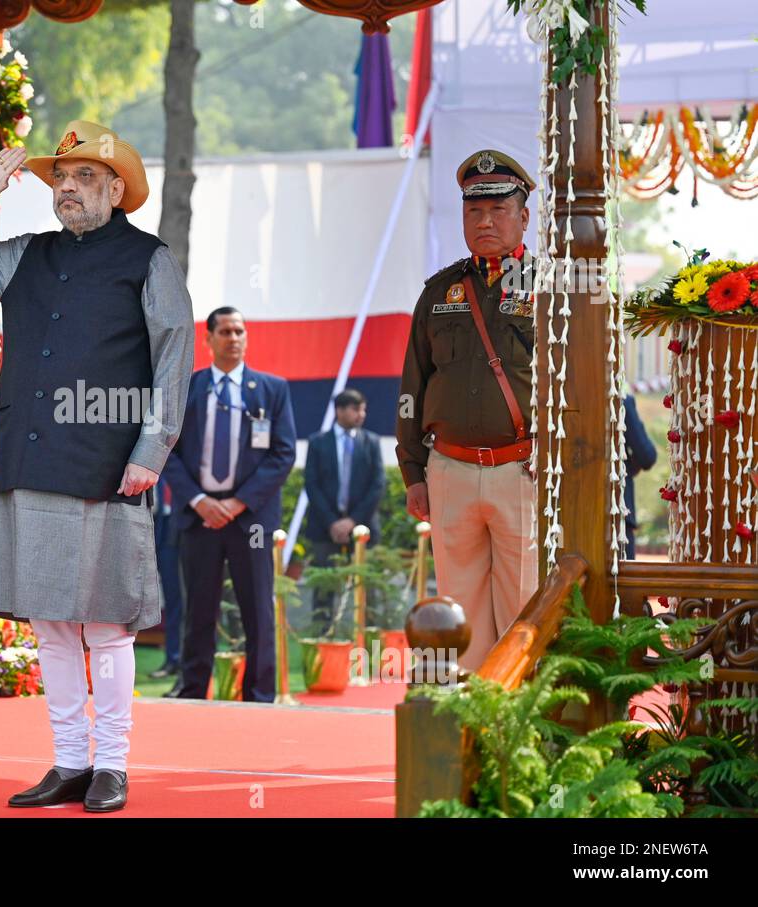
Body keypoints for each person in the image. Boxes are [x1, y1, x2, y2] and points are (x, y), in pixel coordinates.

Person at [0, 121, 193, 812]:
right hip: (30, 457)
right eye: (61, 179)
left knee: (106, 623)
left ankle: (112, 763)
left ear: (116, 189)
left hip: (110, 464)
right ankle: (70, 761)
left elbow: (173, 360)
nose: (68, 189)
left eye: (83, 178)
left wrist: (150, 449)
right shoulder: (27, 255)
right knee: (50, 623)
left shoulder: (148, 258)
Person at [396, 149, 539, 671]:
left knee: (523, 603)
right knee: (461, 611)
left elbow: (571, 385)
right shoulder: (439, 293)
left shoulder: (549, 288)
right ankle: (473, 729)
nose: (485, 221)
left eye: (498, 209)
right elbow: (413, 386)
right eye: (473, 212)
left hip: (521, 468)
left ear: (523, 217)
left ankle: (521, 727)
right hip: (450, 471)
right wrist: (413, 472)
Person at [162, 307, 296, 703]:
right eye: (225, 331)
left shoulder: (271, 390)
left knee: (257, 611)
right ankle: (192, 692)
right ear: (208, 340)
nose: (234, 338)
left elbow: (282, 454)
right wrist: (201, 501)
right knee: (198, 612)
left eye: (240, 331)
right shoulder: (186, 389)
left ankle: (259, 695)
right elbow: (166, 450)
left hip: (249, 520)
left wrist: (238, 503)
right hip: (198, 518)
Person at [303, 388, 385, 626]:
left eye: (363, 409)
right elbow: (312, 484)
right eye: (356, 409)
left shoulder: (371, 442)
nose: (362, 414)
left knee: (368, 588)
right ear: (339, 410)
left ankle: (369, 638)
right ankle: (321, 639)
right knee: (324, 586)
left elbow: (377, 484)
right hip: (324, 528)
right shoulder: (317, 443)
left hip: (363, 529)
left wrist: (352, 521)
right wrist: (332, 522)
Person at [146, 475, 184, 679]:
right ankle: (173, 658)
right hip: (159, 526)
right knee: (172, 599)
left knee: (189, 598)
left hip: (186, 524)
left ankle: (187, 659)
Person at [623, 393, 656, 559]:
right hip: (618, 515)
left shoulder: (566, 396)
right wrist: (627, 466)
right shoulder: (621, 402)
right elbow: (647, 455)